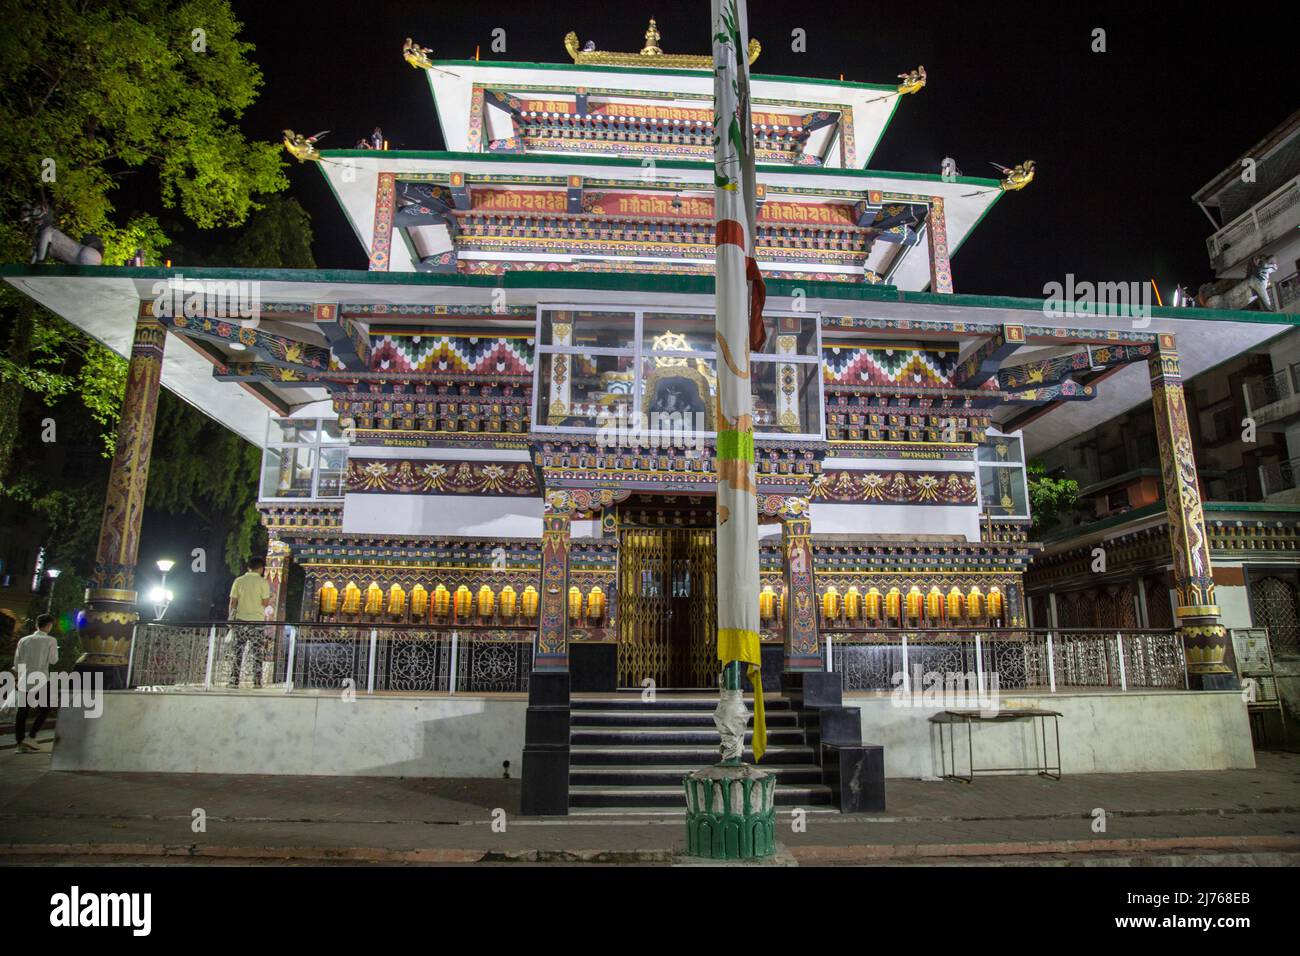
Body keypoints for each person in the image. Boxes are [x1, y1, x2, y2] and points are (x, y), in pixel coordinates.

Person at [12, 613, 58, 753]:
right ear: (49, 626)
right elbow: (53, 660)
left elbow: (17, 662)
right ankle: (31, 736)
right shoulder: (51, 641)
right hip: (41, 679)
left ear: (36, 625)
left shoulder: (24, 640)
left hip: (24, 679)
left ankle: (20, 743)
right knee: (44, 709)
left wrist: (18, 679)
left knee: (22, 712)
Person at [227, 557, 273, 688]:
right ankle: (257, 681)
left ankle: (233, 680)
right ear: (261, 569)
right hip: (257, 621)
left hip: (240, 620)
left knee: (237, 651)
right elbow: (265, 602)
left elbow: (233, 602)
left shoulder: (238, 581)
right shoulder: (263, 582)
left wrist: (231, 618)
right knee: (257, 652)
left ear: (249, 568)